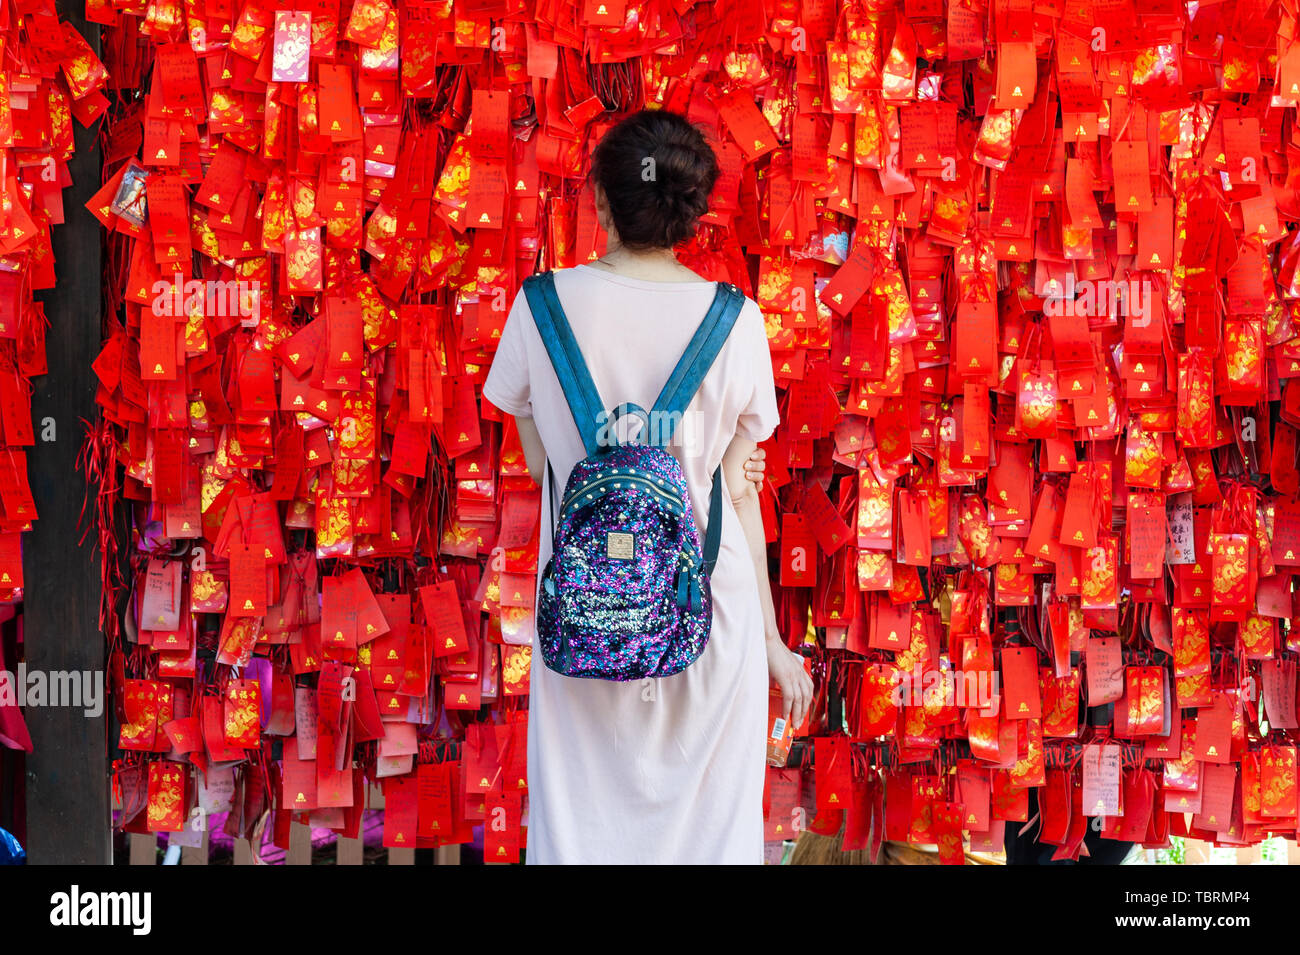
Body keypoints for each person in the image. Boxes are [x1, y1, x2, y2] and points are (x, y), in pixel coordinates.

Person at [482, 109, 813, 864]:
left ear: (599, 199)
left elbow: (549, 470)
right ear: (693, 217)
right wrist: (769, 640)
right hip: (706, 617)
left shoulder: (540, 309)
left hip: (586, 616)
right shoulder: (737, 323)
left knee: (580, 833)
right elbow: (738, 490)